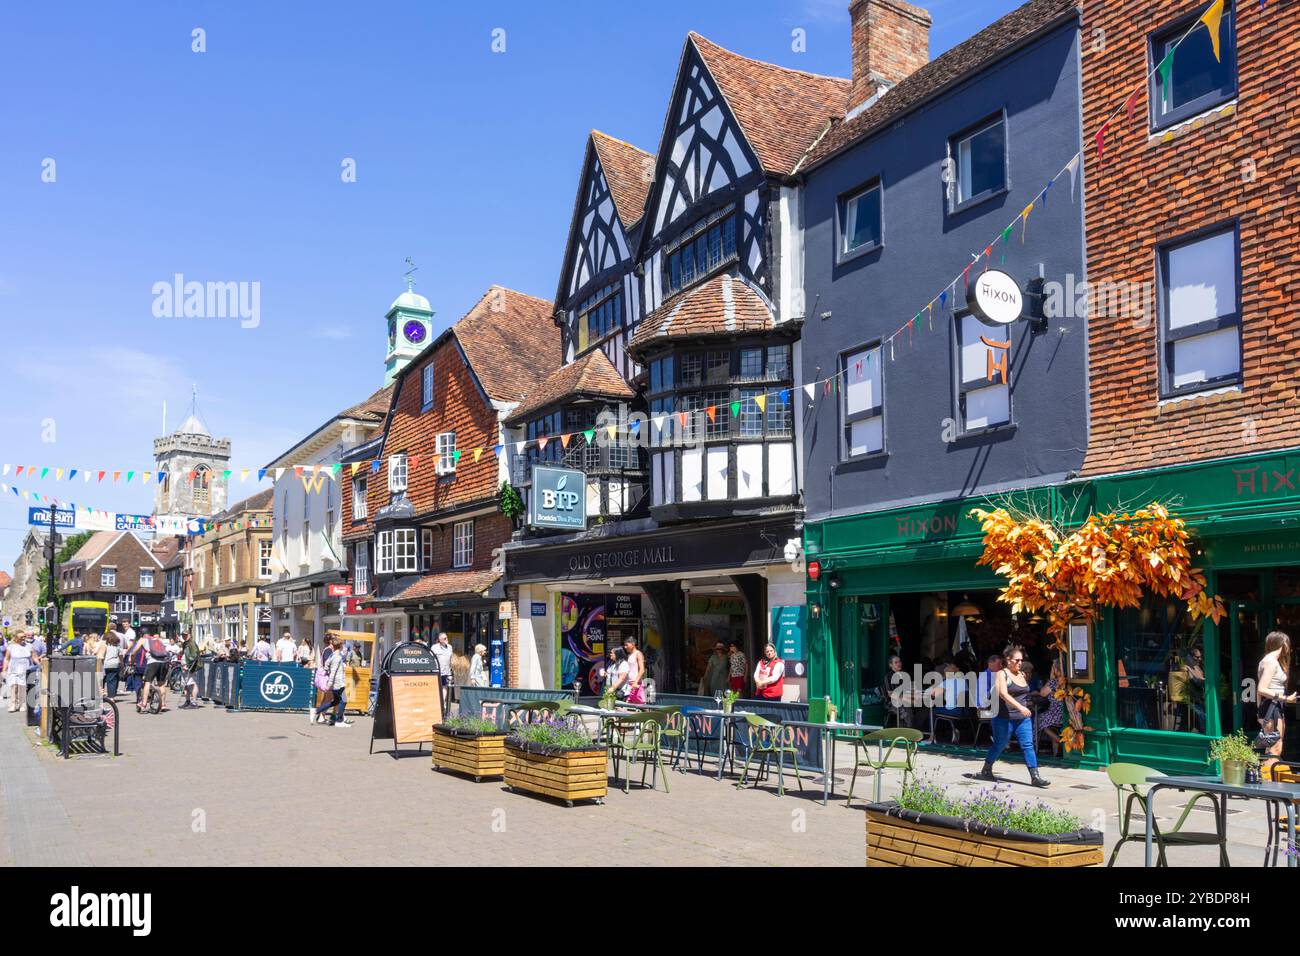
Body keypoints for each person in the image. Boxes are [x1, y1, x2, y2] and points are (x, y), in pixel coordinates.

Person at [977, 644, 1049, 787]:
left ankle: (1035, 777)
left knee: (1028, 745)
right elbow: (1003, 694)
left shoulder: (1022, 675)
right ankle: (986, 769)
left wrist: (1025, 704)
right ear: (1008, 660)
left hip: (1022, 719)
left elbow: (1023, 693)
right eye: (1017, 660)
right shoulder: (1001, 674)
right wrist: (1020, 707)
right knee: (1000, 744)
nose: (1020, 663)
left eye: (1021, 660)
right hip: (1004, 718)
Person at [1258, 631, 1296, 761]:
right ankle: (1269, 778)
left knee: (1272, 746)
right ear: (1283, 643)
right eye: (1288, 644)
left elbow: (1260, 690)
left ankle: (1268, 776)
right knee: (1276, 746)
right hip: (1272, 706)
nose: (1289, 648)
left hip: (1271, 706)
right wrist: (1286, 698)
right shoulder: (1271, 662)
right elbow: (1261, 688)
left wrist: (1260, 712)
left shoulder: (1269, 660)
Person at [316, 636, 351, 727]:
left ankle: (334, 717)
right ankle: (324, 716)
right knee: (334, 700)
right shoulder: (330, 651)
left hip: (334, 680)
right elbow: (331, 668)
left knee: (335, 700)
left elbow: (327, 665)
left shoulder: (333, 653)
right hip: (334, 681)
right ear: (330, 641)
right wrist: (330, 682)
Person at [135, 630, 171, 714]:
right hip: (163, 662)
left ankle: (144, 704)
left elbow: (134, 651)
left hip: (152, 663)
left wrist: (131, 659)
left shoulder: (142, 639)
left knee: (147, 682)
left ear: (141, 634)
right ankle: (163, 704)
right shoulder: (157, 639)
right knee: (161, 683)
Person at [1038, 659, 1067, 758]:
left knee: (1040, 719)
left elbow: (1042, 693)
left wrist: (1051, 678)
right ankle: (1056, 753)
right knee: (1052, 727)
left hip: (1057, 713)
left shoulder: (1054, 682)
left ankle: (1061, 742)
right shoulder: (1067, 679)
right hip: (1065, 713)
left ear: (1056, 669)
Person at [3, 632, 37, 713]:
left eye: (24, 637)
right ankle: (13, 704)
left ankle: (22, 704)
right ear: (16, 638)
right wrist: (4, 670)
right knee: (13, 687)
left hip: (25, 669)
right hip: (13, 669)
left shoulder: (29, 646)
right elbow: (6, 659)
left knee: (22, 687)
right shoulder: (10, 647)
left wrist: (40, 665)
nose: (23, 638)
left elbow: (34, 657)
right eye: (21, 637)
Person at [884, 654, 917, 728]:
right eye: (896, 662)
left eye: (899, 661)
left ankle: (917, 730)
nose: (899, 664)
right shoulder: (888, 677)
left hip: (907, 699)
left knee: (925, 708)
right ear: (890, 665)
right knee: (908, 710)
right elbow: (891, 694)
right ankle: (909, 734)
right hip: (893, 703)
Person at [179, 631, 203, 709]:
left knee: (193, 684)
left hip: (190, 667)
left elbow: (194, 656)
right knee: (185, 685)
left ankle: (194, 702)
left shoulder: (192, 643)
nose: (184, 636)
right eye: (183, 635)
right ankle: (187, 701)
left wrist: (188, 666)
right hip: (184, 666)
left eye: (185, 635)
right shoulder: (185, 643)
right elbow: (184, 653)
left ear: (189, 635)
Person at [432, 632, 454, 712]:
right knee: (437, 688)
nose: (446, 639)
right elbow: (431, 659)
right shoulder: (434, 647)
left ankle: (443, 703)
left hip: (446, 672)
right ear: (440, 640)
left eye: (447, 638)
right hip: (437, 671)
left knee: (445, 688)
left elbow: (451, 659)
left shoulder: (450, 647)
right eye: (444, 638)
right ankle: (436, 703)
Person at [622, 636, 646, 704]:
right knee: (629, 705)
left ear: (633, 644)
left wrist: (636, 682)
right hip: (629, 684)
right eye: (624, 645)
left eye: (627, 645)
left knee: (640, 705)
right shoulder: (629, 655)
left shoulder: (638, 654)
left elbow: (642, 669)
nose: (625, 647)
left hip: (636, 685)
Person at [100, 633, 122, 699]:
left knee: (102, 680)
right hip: (114, 664)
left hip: (105, 664)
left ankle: (101, 694)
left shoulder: (104, 645)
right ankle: (111, 697)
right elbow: (120, 655)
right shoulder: (117, 646)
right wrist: (122, 663)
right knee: (112, 681)